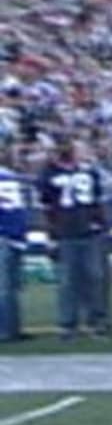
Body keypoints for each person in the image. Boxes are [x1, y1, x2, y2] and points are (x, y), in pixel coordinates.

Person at [39, 136, 112, 341]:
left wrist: (103, 225)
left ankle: (97, 321)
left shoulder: (90, 173)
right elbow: (46, 208)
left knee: (95, 278)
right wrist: (51, 235)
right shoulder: (49, 174)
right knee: (67, 281)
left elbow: (98, 201)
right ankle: (68, 324)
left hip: (90, 231)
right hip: (65, 232)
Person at [0, 146, 31, 343]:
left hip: (14, 236)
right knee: (5, 287)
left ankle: (12, 328)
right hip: (6, 236)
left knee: (12, 287)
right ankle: (6, 329)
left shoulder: (14, 178)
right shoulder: (11, 178)